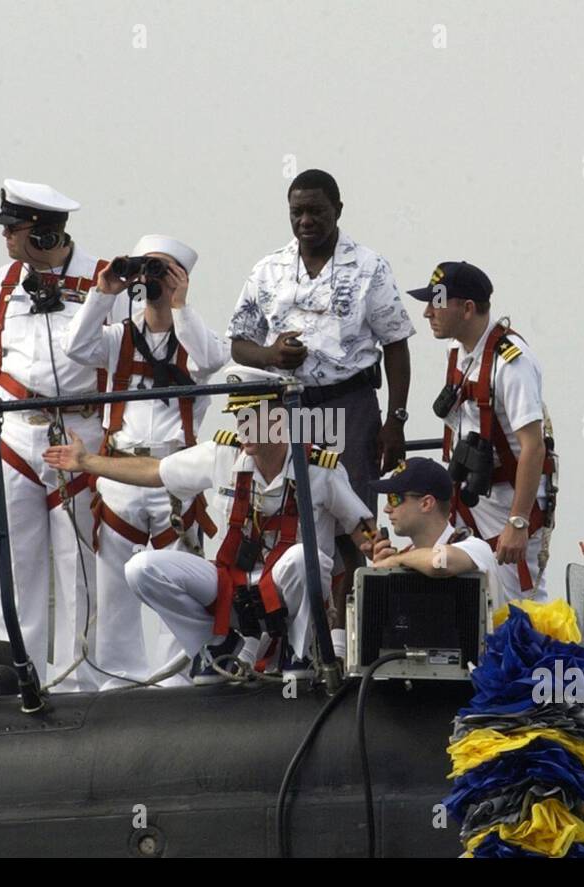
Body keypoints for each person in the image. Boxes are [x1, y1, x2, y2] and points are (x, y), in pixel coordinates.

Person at [43, 367, 377, 682]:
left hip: (286, 588)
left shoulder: (318, 468)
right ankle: (218, 647)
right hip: (235, 587)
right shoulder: (222, 455)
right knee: (140, 568)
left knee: (308, 557)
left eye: (252, 418)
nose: (243, 427)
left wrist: (381, 550)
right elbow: (153, 472)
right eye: (239, 417)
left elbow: (359, 525)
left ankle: (300, 650)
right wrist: (86, 462)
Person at [0, 179, 128, 691]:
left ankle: (83, 677)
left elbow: (127, 364)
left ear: (48, 234)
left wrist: (115, 434)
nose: (6, 238)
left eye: (16, 229)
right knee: (19, 560)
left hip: (77, 434)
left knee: (78, 557)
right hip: (15, 433)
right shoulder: (3, 282)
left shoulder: (105, 282)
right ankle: (25, 672)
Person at [226, 168, 414, 618]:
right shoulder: (268, 269)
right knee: (278, 510)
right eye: (297, 212)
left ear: (338, 211)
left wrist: (396, 419)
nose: (306, 220)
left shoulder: (369, 266)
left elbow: (397, 343)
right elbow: (237, 342)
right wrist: (271, 355)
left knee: (354, 517)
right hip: (285, 407)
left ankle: (349, 625)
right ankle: (283, 626)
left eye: (316, 211)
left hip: (349, 404)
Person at [60, 235, 228, 687]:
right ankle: (120, 678)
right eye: (147, 269)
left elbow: (211, 360)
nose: (152, 278)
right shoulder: (119, 339)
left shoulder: (196, 337)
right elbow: (75, 348)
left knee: (176, 581)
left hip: (176, 476)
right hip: (120, 475)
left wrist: (180, 303)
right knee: (115, 586)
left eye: (163, 270)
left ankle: (174, 675)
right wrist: (103, 293)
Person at [407, 261, 558, 601]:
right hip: (470, 495)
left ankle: (551, 654)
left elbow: (533, 448)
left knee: (518, 603)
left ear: (467, 308)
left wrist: (518, 523)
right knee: (456, 592)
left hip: (508, 500)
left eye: (437, 303)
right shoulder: (459, 352)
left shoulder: (511, 364)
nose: (428, 313)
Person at [366, 457, 505, 609]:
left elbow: (439, 562)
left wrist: (395, 561)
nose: (386, 508)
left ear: (426, 504)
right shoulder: (409, 556)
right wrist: (381, 576)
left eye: (393, 499)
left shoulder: (476, 548)